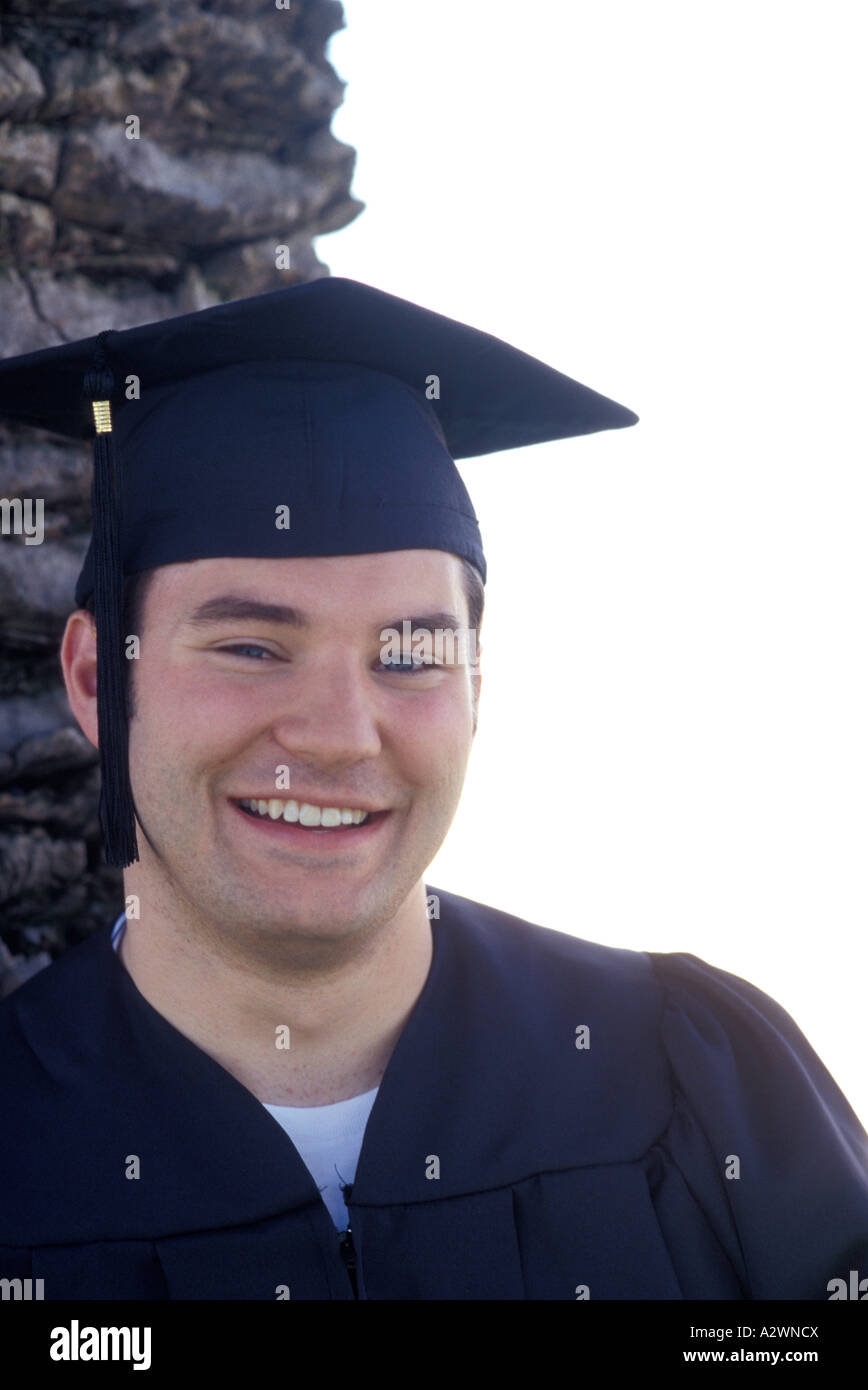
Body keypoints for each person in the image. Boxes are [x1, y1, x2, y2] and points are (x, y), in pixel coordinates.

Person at [0, 277, 866, 1301]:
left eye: (409, 651)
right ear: (102, 680)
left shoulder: (696, 1083)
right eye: (249, 645)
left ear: (475, 687)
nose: (337, 734)